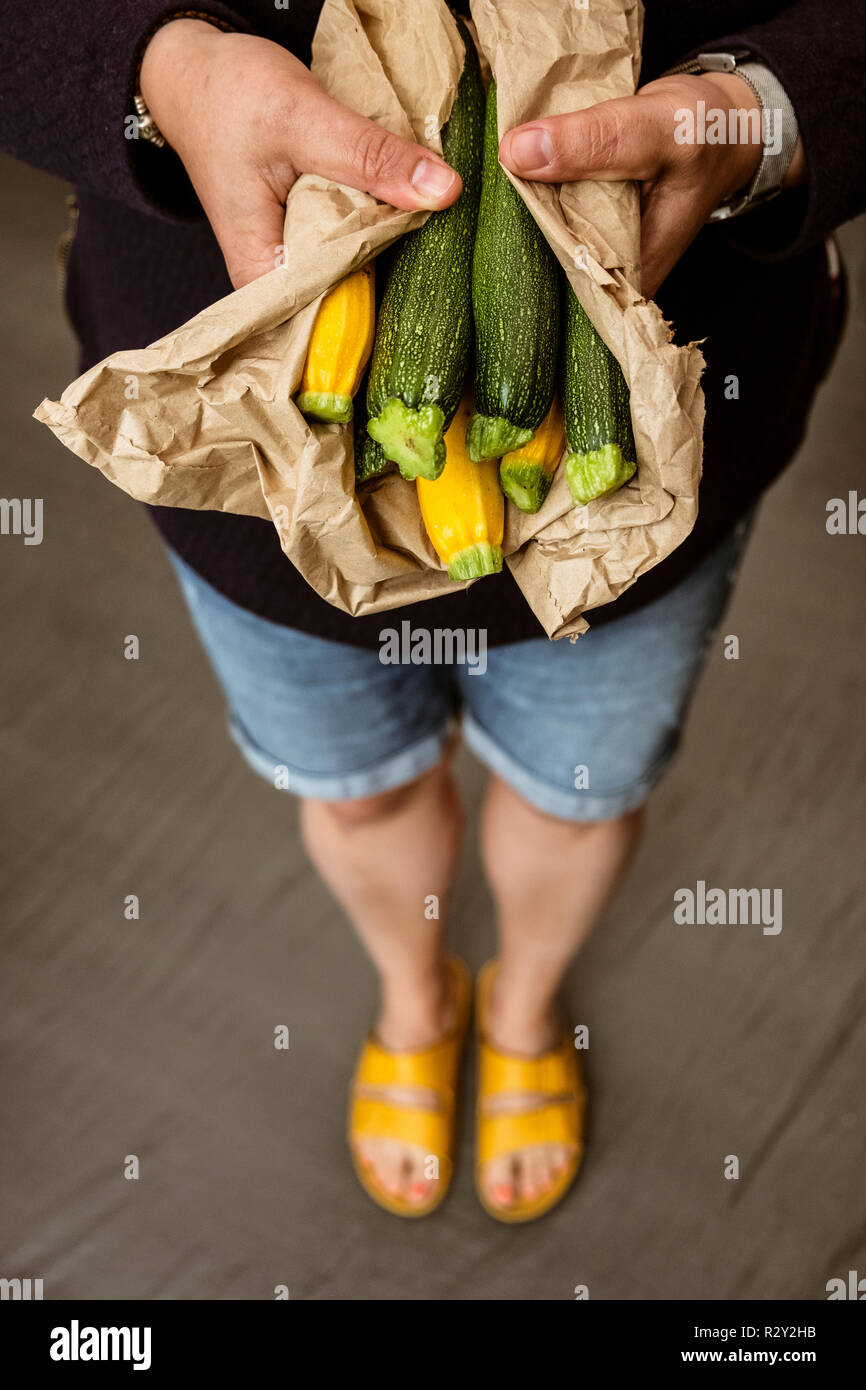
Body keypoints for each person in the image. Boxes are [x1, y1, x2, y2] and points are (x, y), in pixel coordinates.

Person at [2, 0, 859, 1221]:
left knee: (575, 796)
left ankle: (520, 1006)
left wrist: (770, 115)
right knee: (358, 788)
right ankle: (418, 996)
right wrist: (154, 71)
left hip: (655, 456)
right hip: (262, 483)